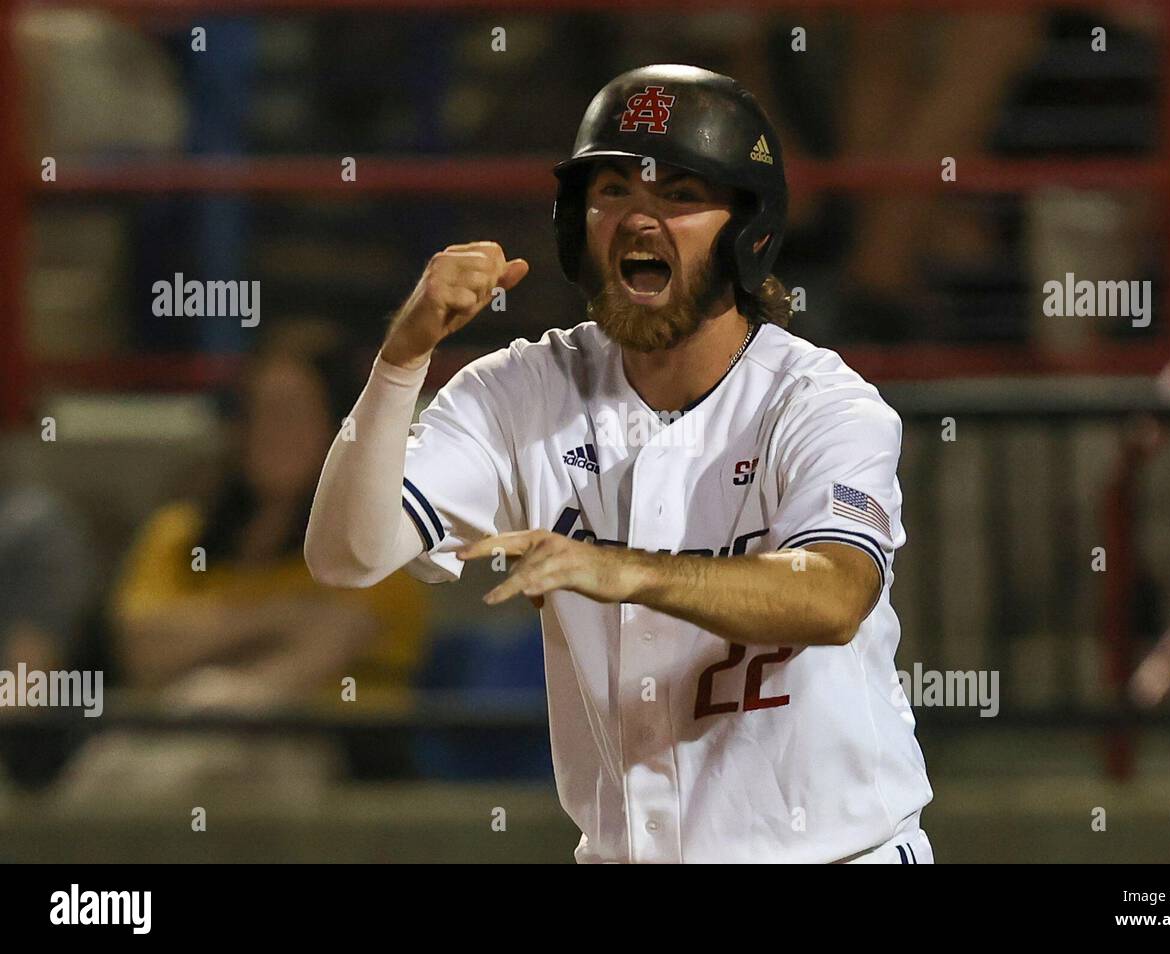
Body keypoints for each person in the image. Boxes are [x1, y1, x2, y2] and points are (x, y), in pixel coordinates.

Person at [306, 65, 933, 863]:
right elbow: (347, 556)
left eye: (679, 196)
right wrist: (401, 361)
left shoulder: (819, 402)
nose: (640, 220)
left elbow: (836, 594)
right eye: (613, 193)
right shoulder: (521, 390)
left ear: (747, 229)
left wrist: (626, 571)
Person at [59, 323, 430, 801]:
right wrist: (282, 617)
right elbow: (143, 652)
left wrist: (211, 663)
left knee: (229, 747)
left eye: (293, 414)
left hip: (328, 756)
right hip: (167, 732)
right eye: (259, 413)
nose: (271, 432)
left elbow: (321, 651)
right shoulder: (180, 534)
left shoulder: (377, 538)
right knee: (111, 761)